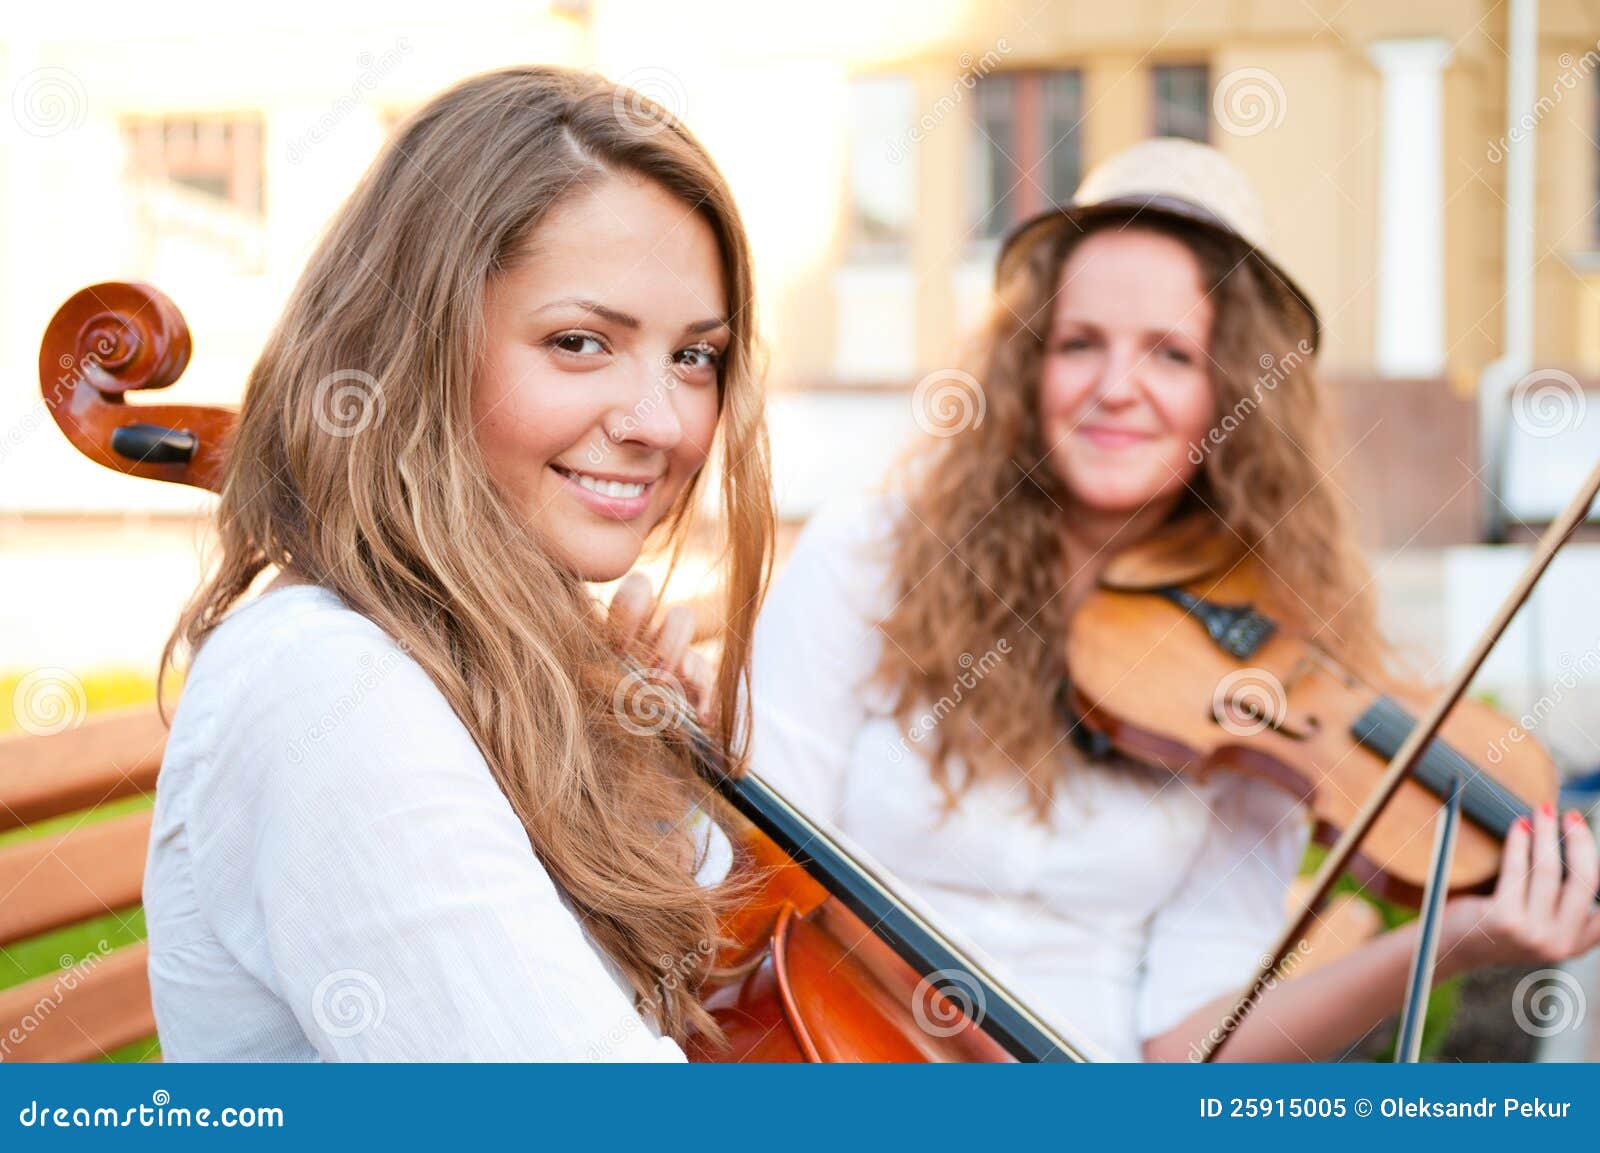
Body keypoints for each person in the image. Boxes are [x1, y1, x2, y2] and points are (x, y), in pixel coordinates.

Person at [748, 137, 1600, 1062]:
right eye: (1079, 344)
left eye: (1171, 355)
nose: (1117, 389)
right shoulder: (869, 554)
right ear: (1026, 371)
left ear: (1232, 390)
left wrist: (1443, 943)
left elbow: (1192, 1045)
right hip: (822, 1038)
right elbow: (756, 856)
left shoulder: (1265, 666)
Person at [143, 65, 773, 1061]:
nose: (662, 421)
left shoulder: (498, 656)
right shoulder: (329, 691)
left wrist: (650, 798)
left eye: (694, 356)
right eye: (580, 341)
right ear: (414, 348)